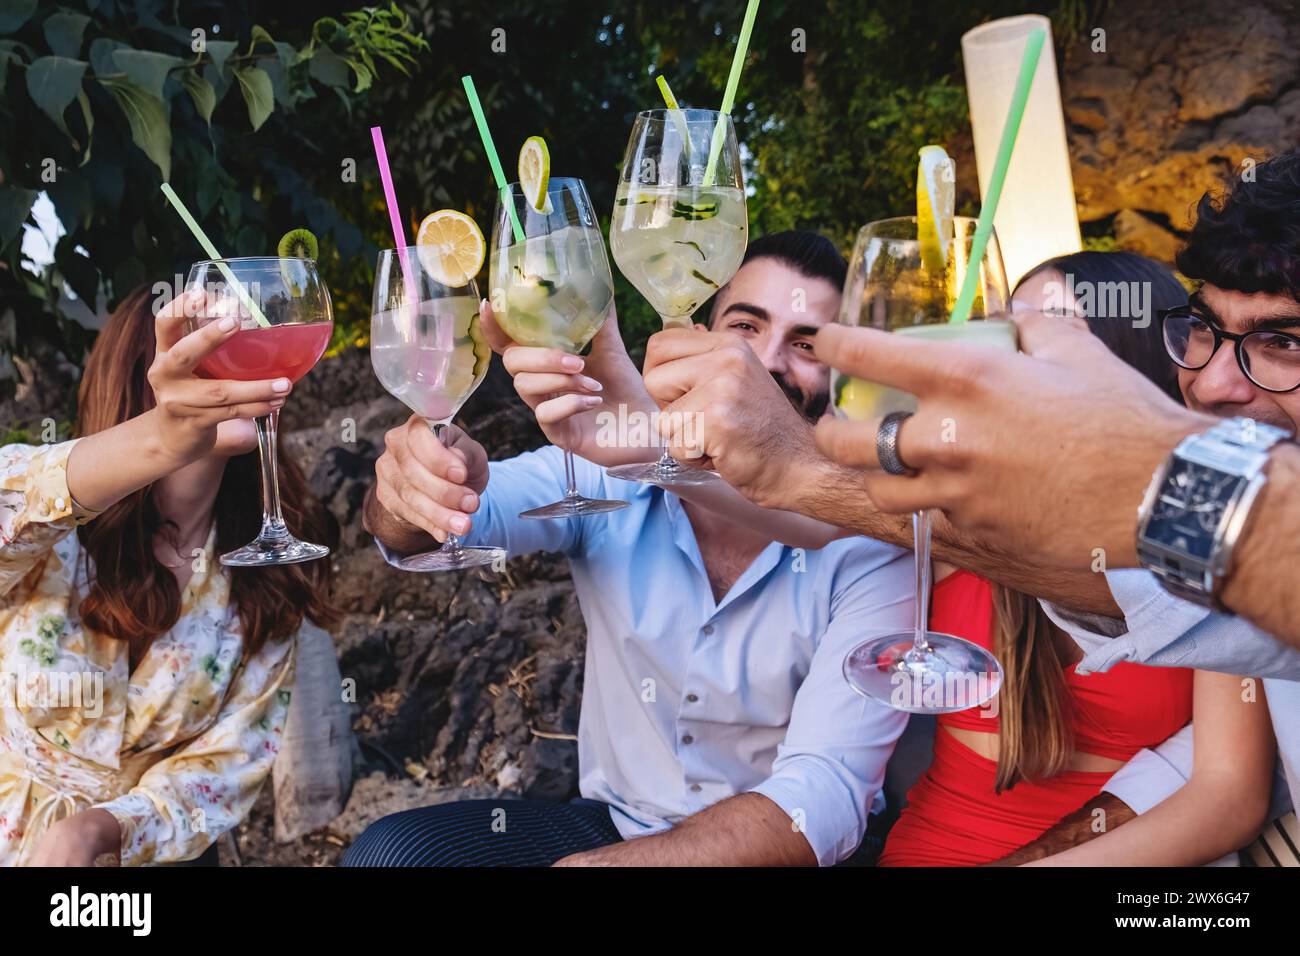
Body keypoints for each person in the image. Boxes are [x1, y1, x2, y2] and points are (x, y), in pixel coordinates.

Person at [640, 150, 1300, 839]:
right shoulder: (1223, 581)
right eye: (1204, 329)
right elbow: (1162, 583)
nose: (1216, 383)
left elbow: (1223, 782)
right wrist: (793, 470)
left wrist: (1143, 464)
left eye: (1282, 339)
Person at [350, 232, 916, 867]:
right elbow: (440, 525)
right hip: (615, 824)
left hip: (785, 847)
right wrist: (417, 491)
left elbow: (826, 794)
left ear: (844, 375)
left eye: (807, 344)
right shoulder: (609, 463)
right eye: (746, 327)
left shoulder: (875, 536)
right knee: (392, 854)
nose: (767, 363)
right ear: (697, 334)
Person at [877, 254, 1274, 866]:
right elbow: (805, 506)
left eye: (1053, 344)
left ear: (1134, 373)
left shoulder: (1197, 524)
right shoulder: (953, 503)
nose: (1010, 371)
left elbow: (1225, 797)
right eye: (1007, 339)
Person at [0, 286, 337, 866]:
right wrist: (160, 438)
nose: (240, 365)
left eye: (245, 342)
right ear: (141, 376)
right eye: (207, 349)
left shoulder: (265, 570)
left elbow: (227, 764)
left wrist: (97, 829)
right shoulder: (55, 536)